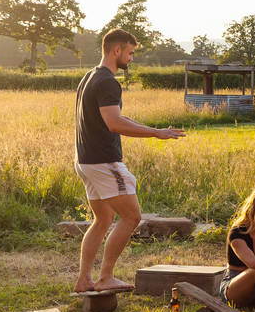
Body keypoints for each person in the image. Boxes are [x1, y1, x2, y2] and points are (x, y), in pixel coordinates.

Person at [73, 28, 185, 293]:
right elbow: (114, 123)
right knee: (132, 216)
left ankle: (83, 280)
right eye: (131, 53)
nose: (131, 59)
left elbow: (118, 118)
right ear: (116, 50)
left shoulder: (89, 77)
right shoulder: (109, 82)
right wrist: (156, 133)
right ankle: (105, 277)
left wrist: (156, 130)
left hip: (85, 161)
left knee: (102, 220)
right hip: (103, 161)